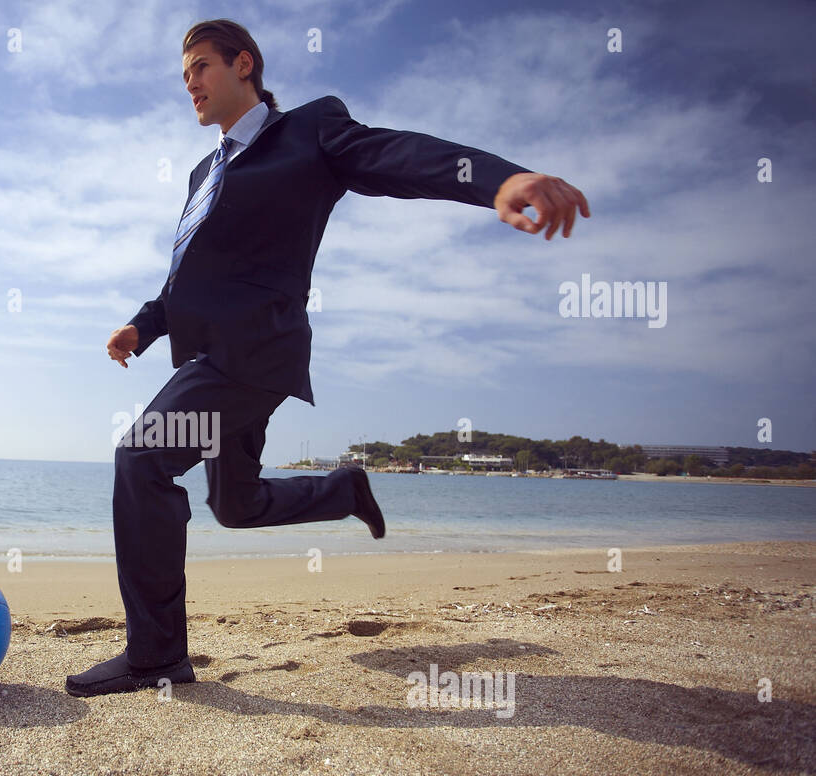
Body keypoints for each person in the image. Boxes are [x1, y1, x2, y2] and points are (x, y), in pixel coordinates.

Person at [66, 18, 589, 697]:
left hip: (251, 354)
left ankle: (157, 655)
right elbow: (193, 277)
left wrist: (496, 181)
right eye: (183, 72)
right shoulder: (204, 170)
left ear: (243, 64)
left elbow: (395, 154)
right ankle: (344, 489)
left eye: (201, 66)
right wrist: (142, 327)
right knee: (237, 505)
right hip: (217, 356)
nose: (189, 82)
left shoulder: (308, 132)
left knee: (141, 458)